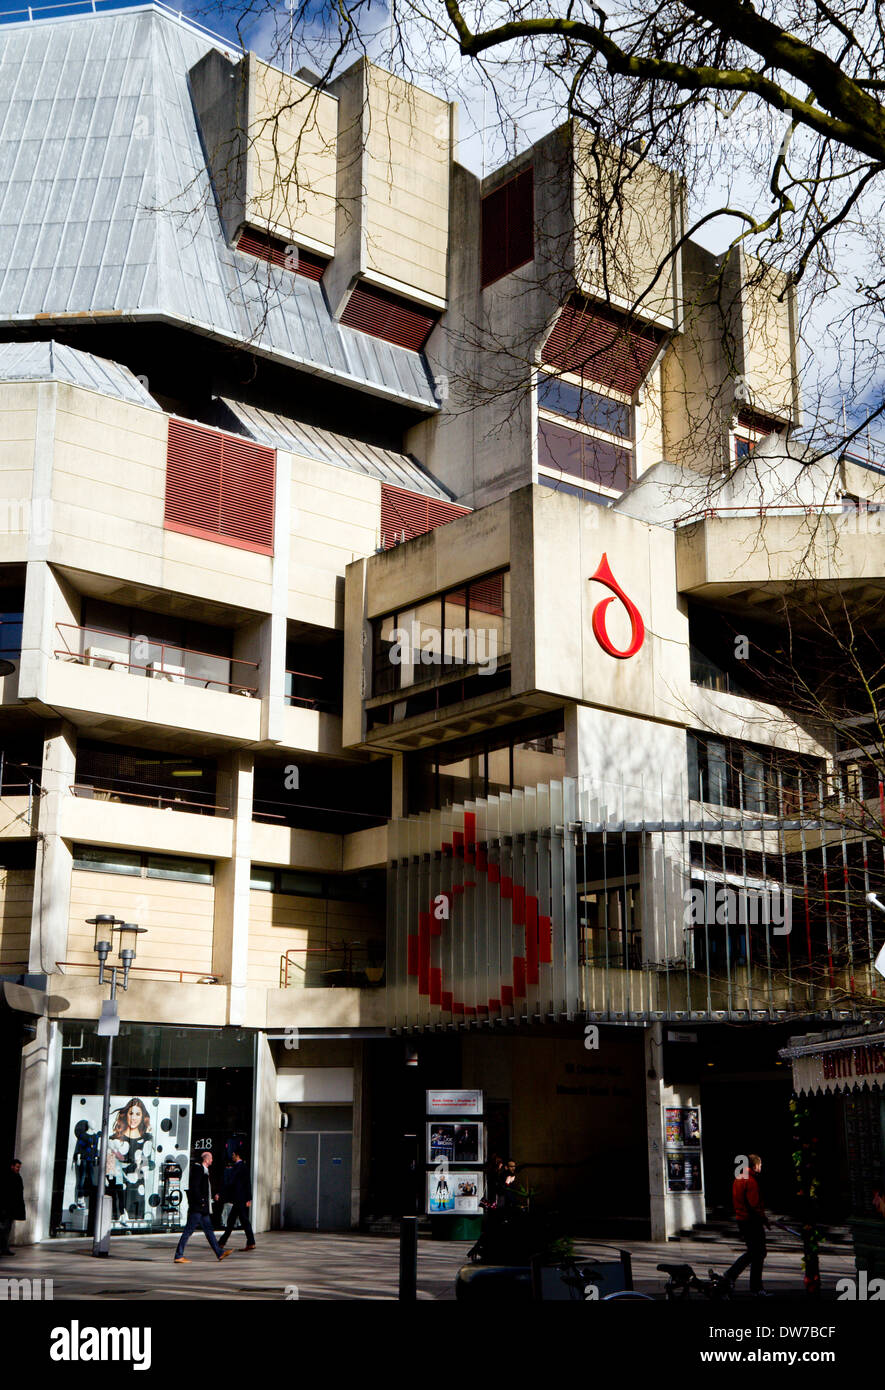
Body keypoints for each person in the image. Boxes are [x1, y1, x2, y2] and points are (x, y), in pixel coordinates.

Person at [724, 1154, 772, 1296]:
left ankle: (733, 1275)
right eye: (760, 1164)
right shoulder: (751, 1181)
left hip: (742, 1219)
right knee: (759, 1253)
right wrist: (764, 1219)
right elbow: (755, 1205)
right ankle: (755, 1287)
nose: (761, 1167)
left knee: (754, 1252)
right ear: (755, 1165)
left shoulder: (738, 1179)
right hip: (752, 1221)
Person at [173, 1152, 231, 1264]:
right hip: (198, 1208)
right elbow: (194, 1188)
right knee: (188, 1231)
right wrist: (202, 1201)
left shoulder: (204, 1171)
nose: (212, 1161)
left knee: (209, 1231)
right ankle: (178, 1255)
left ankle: (219, 1252)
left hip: (202, 1209)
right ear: (206, 1160)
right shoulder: (198, 1169)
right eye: (211, 1159)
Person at [217, 1149, 255, 1252]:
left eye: (233, 1154)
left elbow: (232, 1183)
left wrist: (222, 1194)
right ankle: (250, 1242)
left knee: (237, 1221)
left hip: (239, 1199)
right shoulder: (242, 1166)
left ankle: (221, 1242)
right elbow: (247, 1183)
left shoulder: (239, 1167)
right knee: (236, 1221)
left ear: (237, 1156)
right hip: (240, 1199)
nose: (232, 1156)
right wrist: (248, 1198)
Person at [0, 1159, 25, 1256]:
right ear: (12, 1166)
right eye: (17, 1167)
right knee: (4, 1229)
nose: (18, 1169)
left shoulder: (17, 1177)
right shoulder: (8, 1177)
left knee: (7, 1229)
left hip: (11, 1208)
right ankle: (3, 1248)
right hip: (6, 1208)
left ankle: (4, 1248)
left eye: (19, 1167)